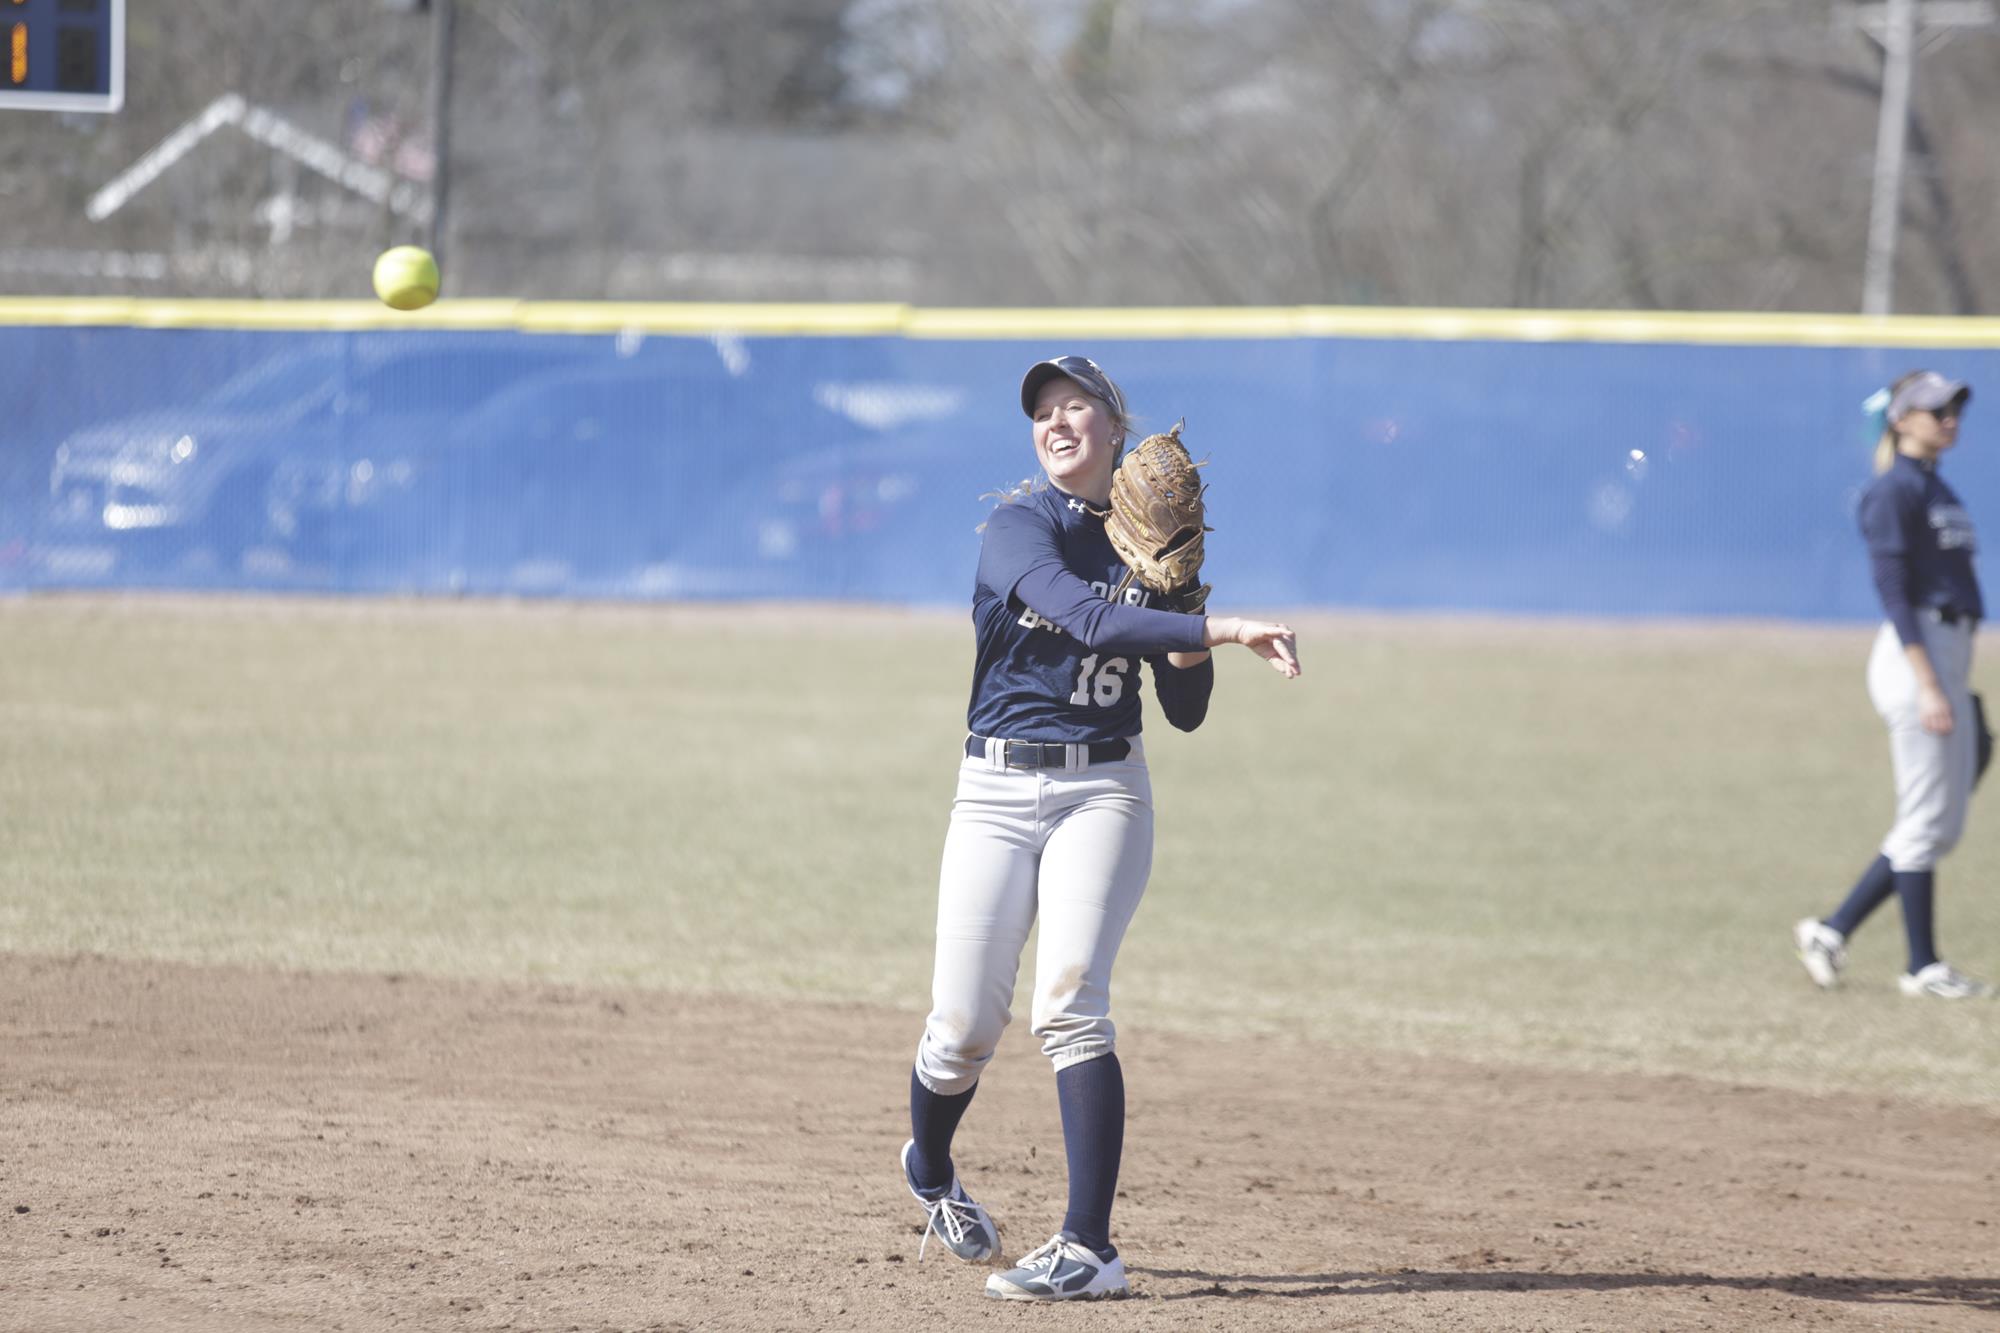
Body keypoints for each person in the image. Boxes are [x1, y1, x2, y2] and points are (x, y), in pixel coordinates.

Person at [898, 355, 1300, 1302]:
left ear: (1117, 431)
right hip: (993, 792)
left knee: (1071, 1002)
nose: (1057, 419)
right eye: (1043, 409)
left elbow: (1188, 711)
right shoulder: (1015, 527)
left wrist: (1187, 584)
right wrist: (1226, 626)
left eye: (1077, 405)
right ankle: (930, 1167)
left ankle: (1089, 1247)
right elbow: (1080, 617)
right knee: (961, 1028)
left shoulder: (1148, 546)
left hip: (1104, 792)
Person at [1795, 369, 1993, 1000]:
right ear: (1902, 420)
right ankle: (1922, 966)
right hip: (1918, 656)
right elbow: (1894, 593)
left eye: (1954, 408)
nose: (1950, 419)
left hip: (1946, 654)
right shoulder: (1894, 491)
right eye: (1936, 410)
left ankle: (1833, 931)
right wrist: (1930, 683)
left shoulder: (1935, 487)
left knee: (1940, 820)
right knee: (1926, 819)